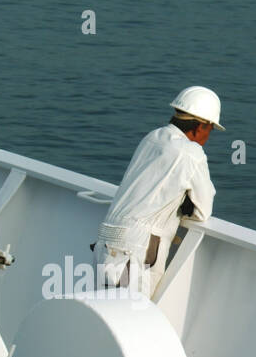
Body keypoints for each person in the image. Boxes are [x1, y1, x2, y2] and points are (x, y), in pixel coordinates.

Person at [94, 86, 222, 296]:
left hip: (107, 240)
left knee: (107, 315)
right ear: (201, 126)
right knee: (131, 318)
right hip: (138, 247)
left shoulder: (152, 137)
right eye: (210, 130)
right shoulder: (192, 153)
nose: (208, 137)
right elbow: (203, 210)